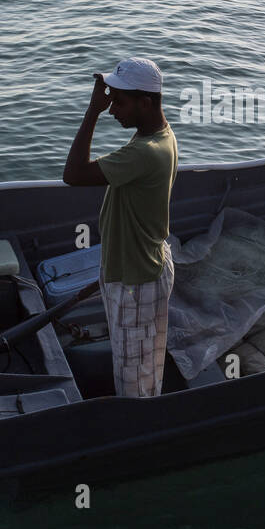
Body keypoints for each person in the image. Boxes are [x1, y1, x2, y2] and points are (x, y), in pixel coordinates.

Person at [62, 58, 179, 397]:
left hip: (136, 281)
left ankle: (139, 436)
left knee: (134, 383)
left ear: (145, 102)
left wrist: (92, 112)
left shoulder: (146, 152)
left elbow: (73, 174)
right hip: (137, 270)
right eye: (110, 100)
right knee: (141, 364)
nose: (112, 109)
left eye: (119, 101)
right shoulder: (158, 135)